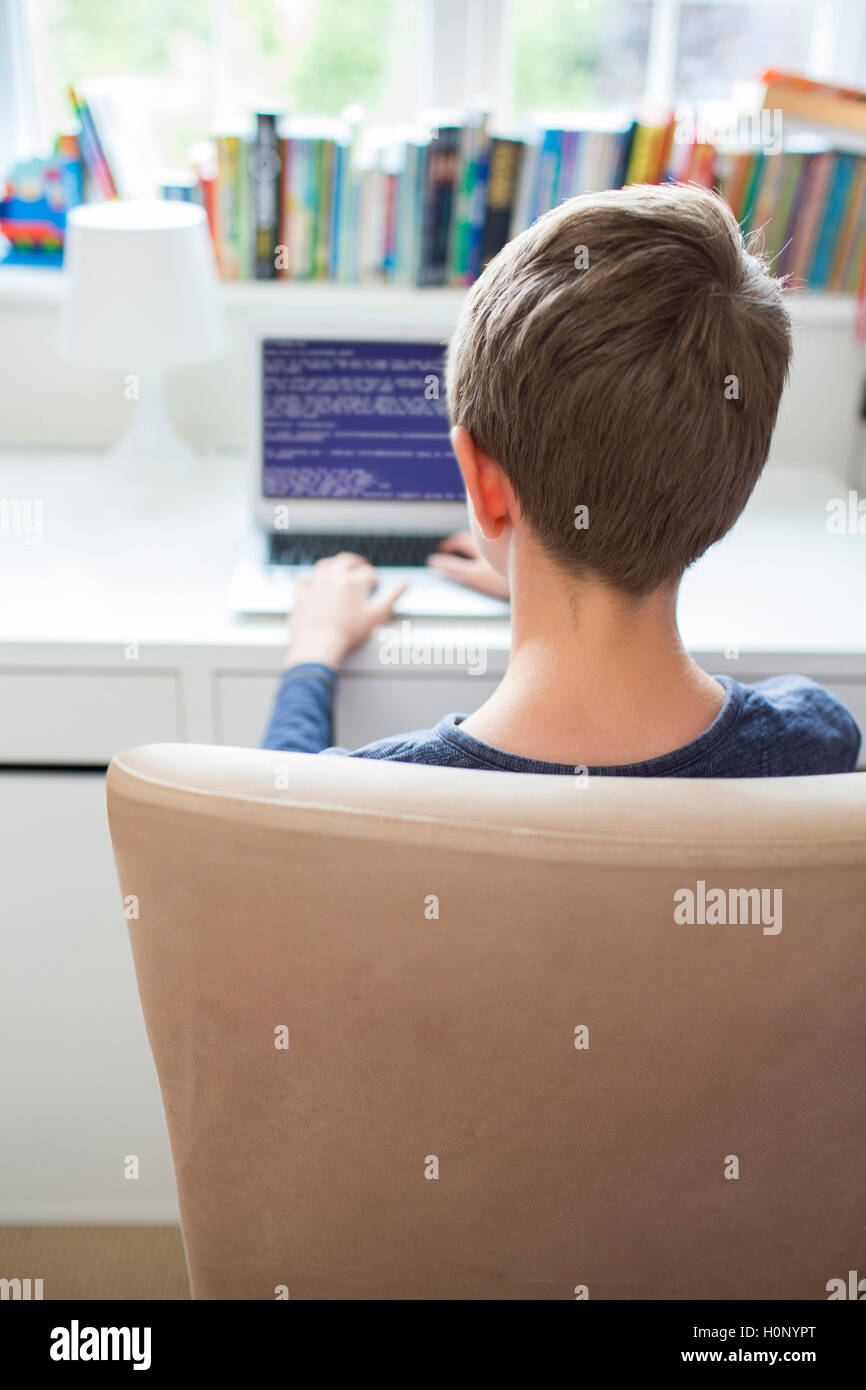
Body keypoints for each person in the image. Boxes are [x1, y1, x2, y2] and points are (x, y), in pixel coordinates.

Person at [262, 183, 860, 777]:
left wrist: (311, 653)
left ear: (484, 486)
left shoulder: (368, 789)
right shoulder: (813, 738)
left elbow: (274, 800)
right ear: (735, 484)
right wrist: (583, 578)